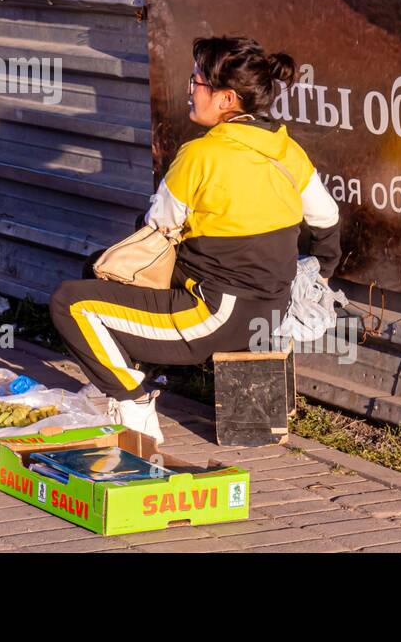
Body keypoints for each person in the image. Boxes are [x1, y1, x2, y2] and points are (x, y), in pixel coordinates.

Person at [50, 36, 342, 443]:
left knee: (73, 300)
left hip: (213, 319)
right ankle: (114, 380)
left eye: (196, 82)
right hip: (272, 316)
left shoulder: (200, 156)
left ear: (226, 99)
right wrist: (321, 274)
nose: (189, 90)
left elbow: (157, 226)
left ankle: (131, 399)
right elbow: (327, 219)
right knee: (104, 271)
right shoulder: (287, 150)